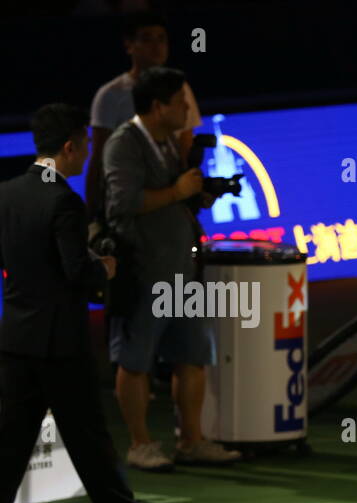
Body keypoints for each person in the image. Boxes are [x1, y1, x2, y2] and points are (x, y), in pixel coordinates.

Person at [0, 104, 181, 503]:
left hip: (17, 336)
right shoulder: (63, 199)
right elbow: (75, 272)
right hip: (60, 342)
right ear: (68, 147)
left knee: (12, 439)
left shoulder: (7, 193)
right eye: (83, 146)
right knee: (89, 436)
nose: (87, 156)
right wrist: (105, 269)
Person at [103, 65, 238, 471]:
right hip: (143, 271)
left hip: (183, 268)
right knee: (136, 359)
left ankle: (191, 441)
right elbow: (121, 206)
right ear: (159, 107)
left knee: (192, 355)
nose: (187, 109)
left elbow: (170, 197)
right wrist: (176, 191)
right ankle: (140, 444)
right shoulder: (124, 144)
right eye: (181, 103)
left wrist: (194, 197)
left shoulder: (166, 143)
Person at [87, 11, 203, 222]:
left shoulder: (182, 88)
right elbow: (98, 161)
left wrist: (192, 194)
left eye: (162, 39)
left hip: (173, 213)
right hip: (133, 215)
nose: (156, 46)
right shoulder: (110, 98)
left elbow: (185, 150)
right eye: (147, 39)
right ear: (129, 45)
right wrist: (92, 218)